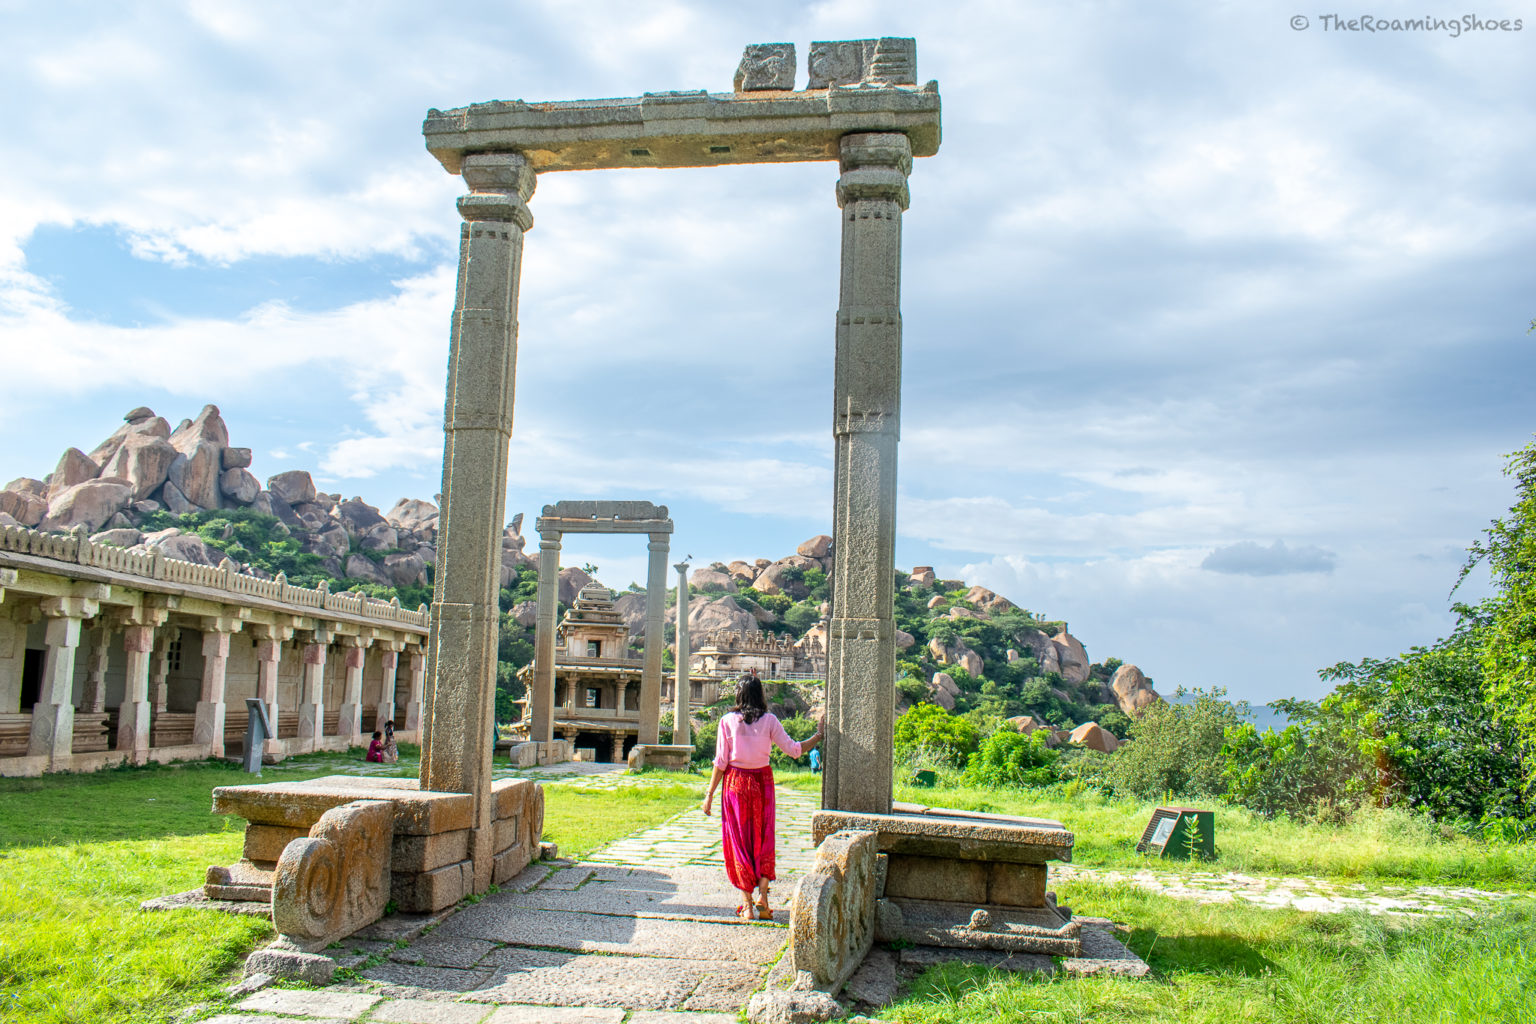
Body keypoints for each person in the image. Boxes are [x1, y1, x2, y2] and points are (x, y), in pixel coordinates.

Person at [702, 671, 823, 922]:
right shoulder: (770, 721)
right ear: (760, 695)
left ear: (739, 694)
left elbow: (721, 762)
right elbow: (794, 750)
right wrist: (818, 736)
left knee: (739, 843)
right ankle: (764, 899)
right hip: (762, 782)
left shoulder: (726, 721)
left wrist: (709, 794)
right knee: (764, 838)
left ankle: (747, 905)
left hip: (735, 783)